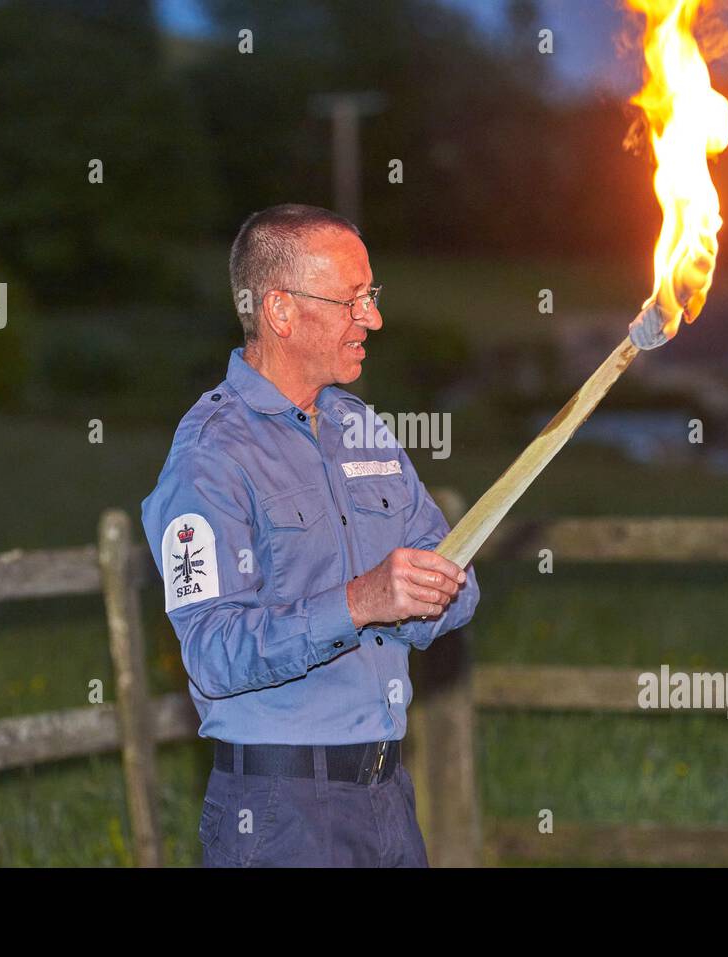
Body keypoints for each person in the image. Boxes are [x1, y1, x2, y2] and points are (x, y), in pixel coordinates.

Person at [141, 203, 480, 867]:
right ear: (281, 311)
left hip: (387, 799)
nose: (373, 318)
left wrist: (427, 593)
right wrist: (360, 602)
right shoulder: (210, 456)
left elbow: (458, 590)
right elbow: (211, 650)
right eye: (352, 298)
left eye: (371, 295)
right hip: (279, 813)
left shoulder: (364, 430)